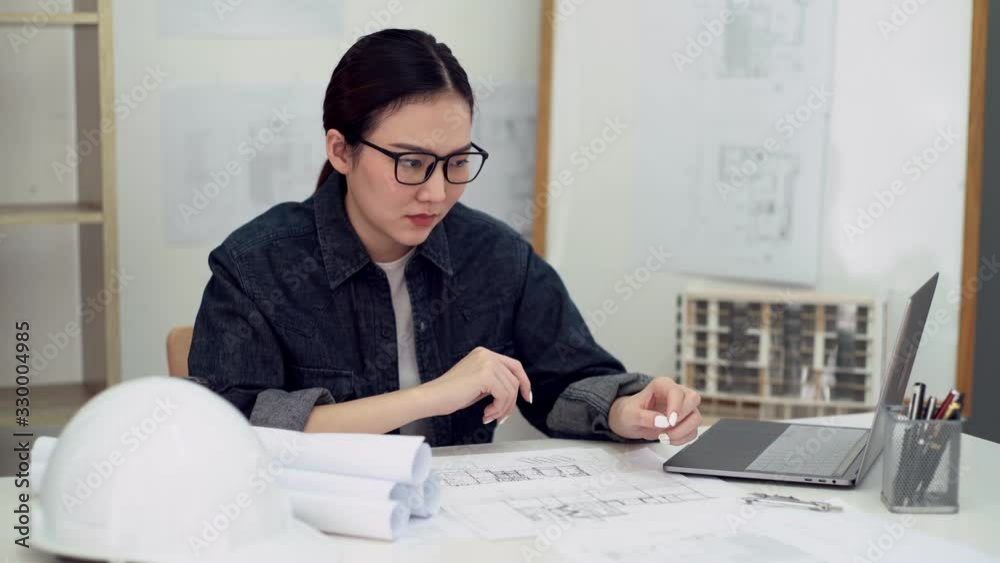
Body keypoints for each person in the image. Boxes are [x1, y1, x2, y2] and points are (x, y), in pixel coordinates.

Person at [189, 28, 702, 447]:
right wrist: (436, 395)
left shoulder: (494, 255)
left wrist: (622, 410)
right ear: (341, 151)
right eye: (411, 163)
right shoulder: (256, 267)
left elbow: (564, 379)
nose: (437, 193)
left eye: (456, 163)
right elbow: (232, 432)